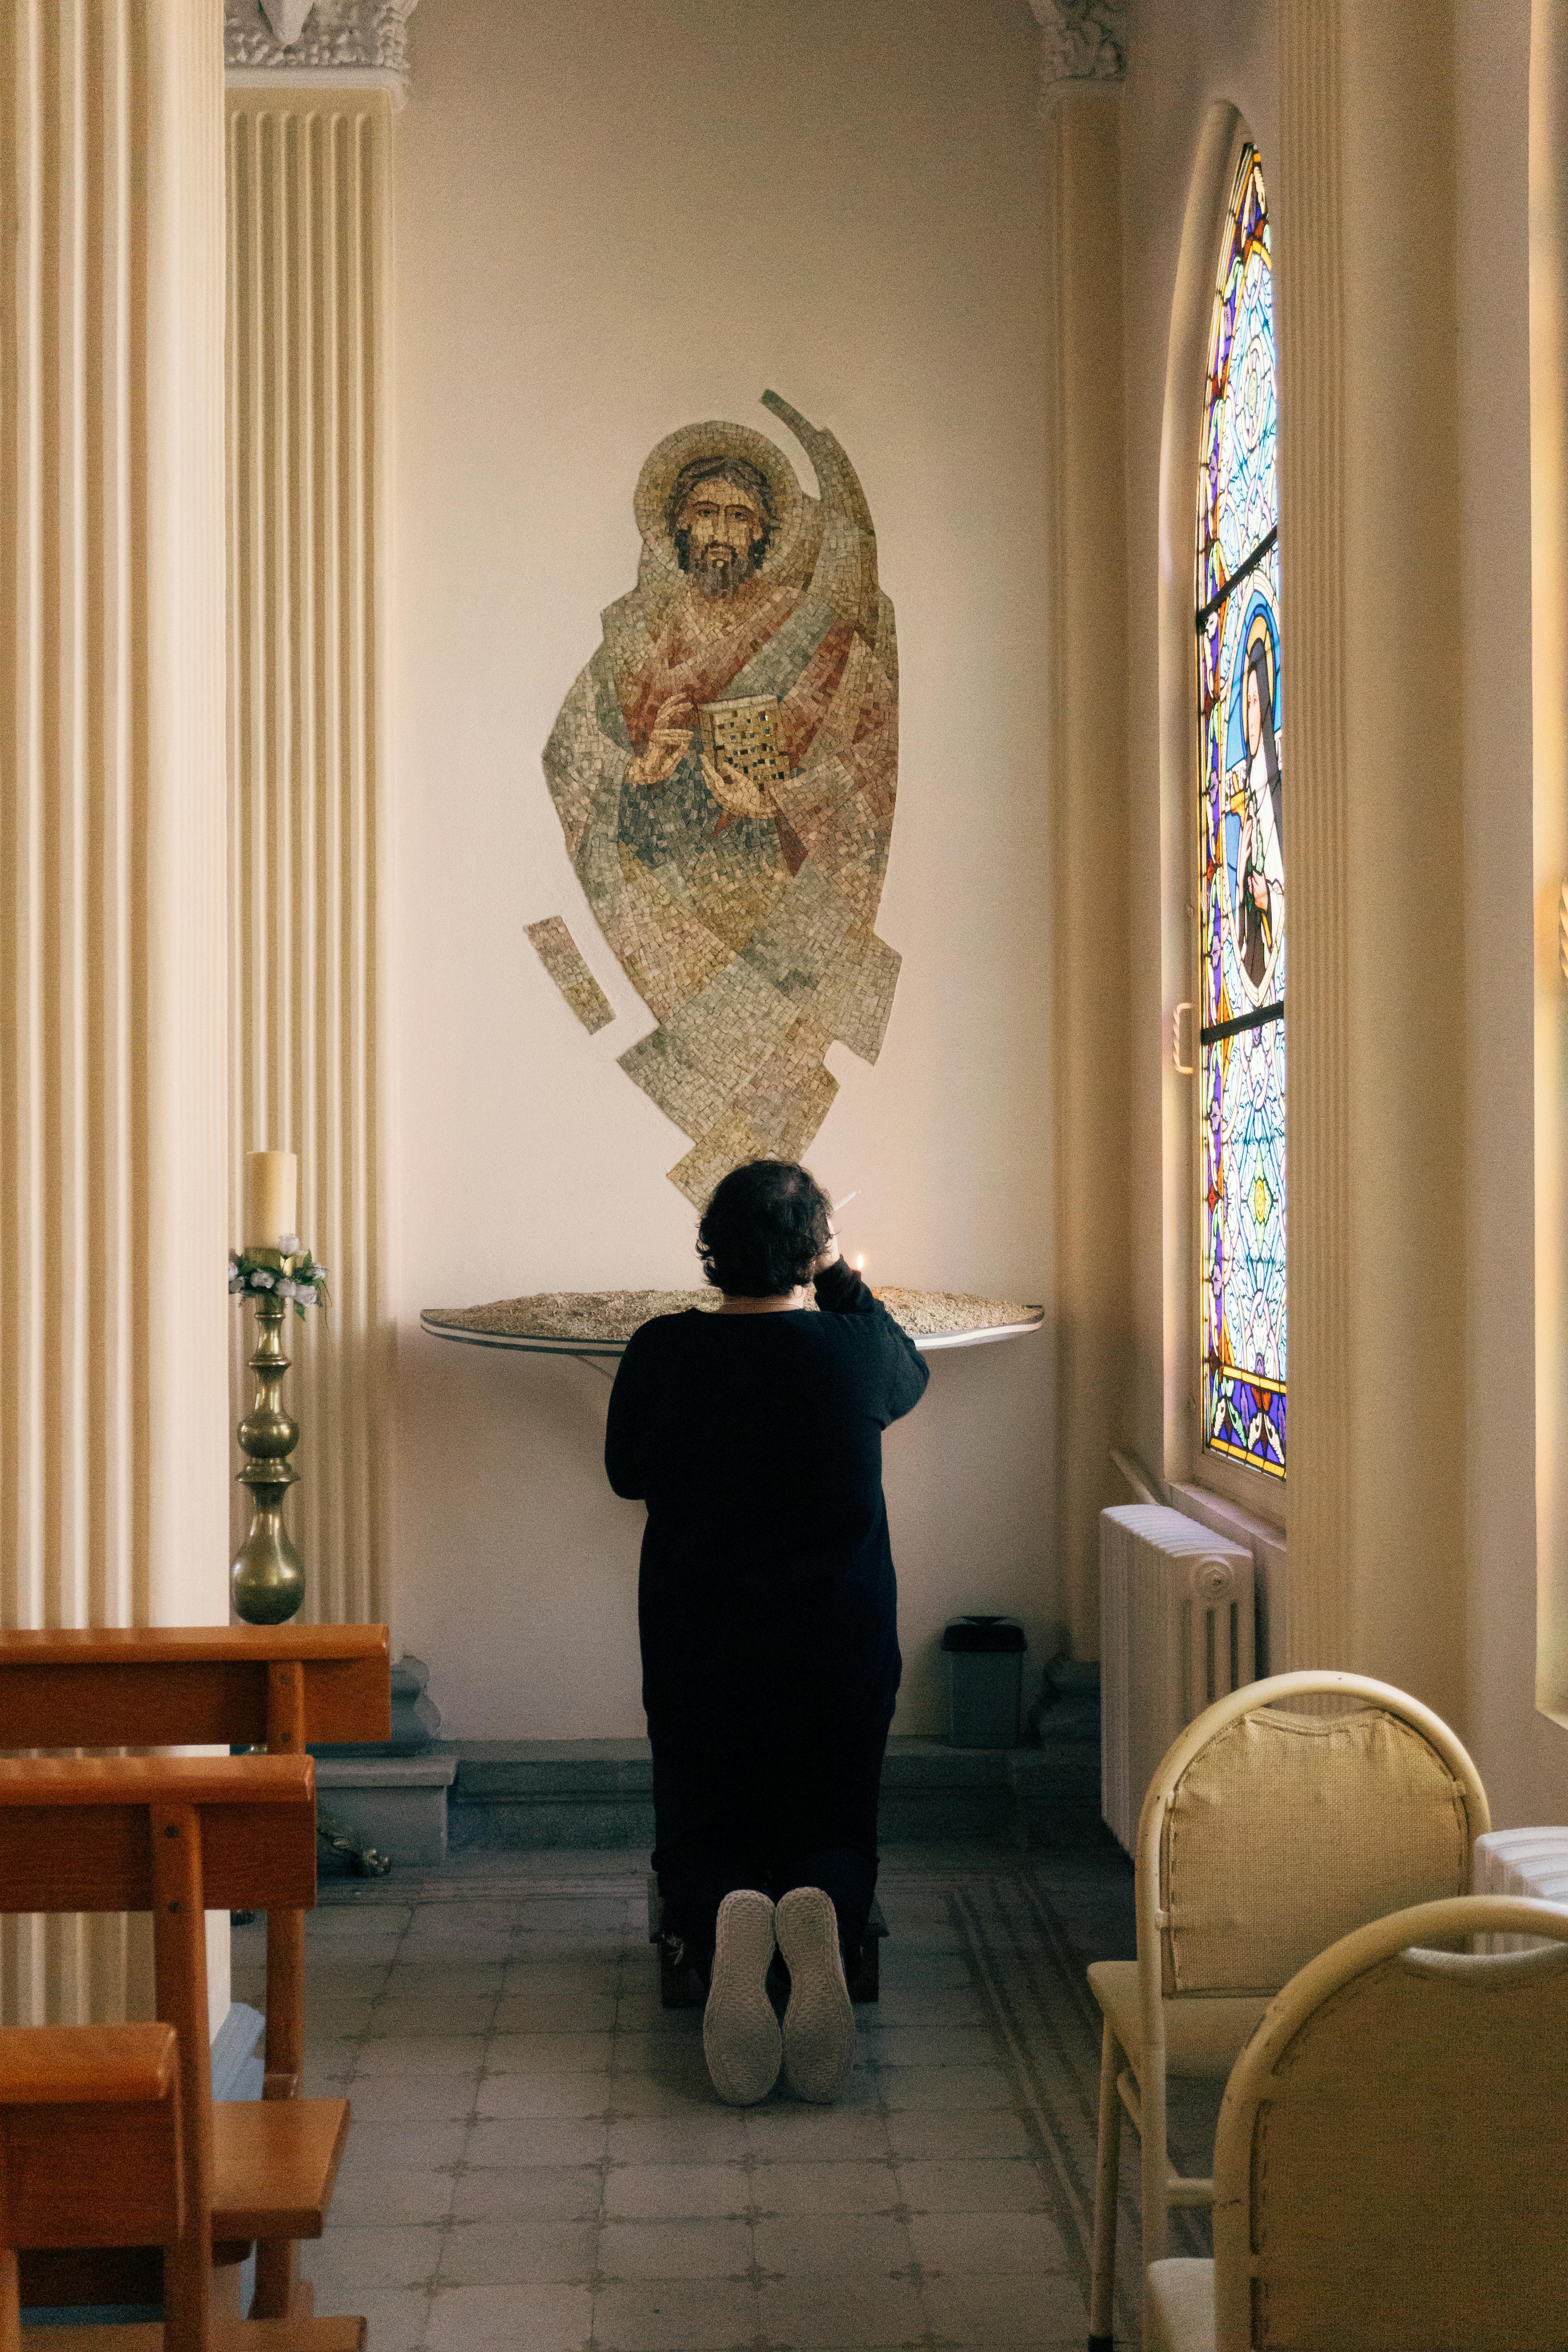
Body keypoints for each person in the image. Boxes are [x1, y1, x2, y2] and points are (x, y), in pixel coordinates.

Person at [604, 1158, 929, 2105]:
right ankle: (820, 1906)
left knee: (705, 1807)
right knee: (832, 1806)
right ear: (810, 1250)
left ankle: (721, 1920)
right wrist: (838, 1276)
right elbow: (908, 1372)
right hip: (836, 1636)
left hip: (701, 1633)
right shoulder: (854, 1351)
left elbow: (627, 1475)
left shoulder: (661, 1350)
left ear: (711, 1249)